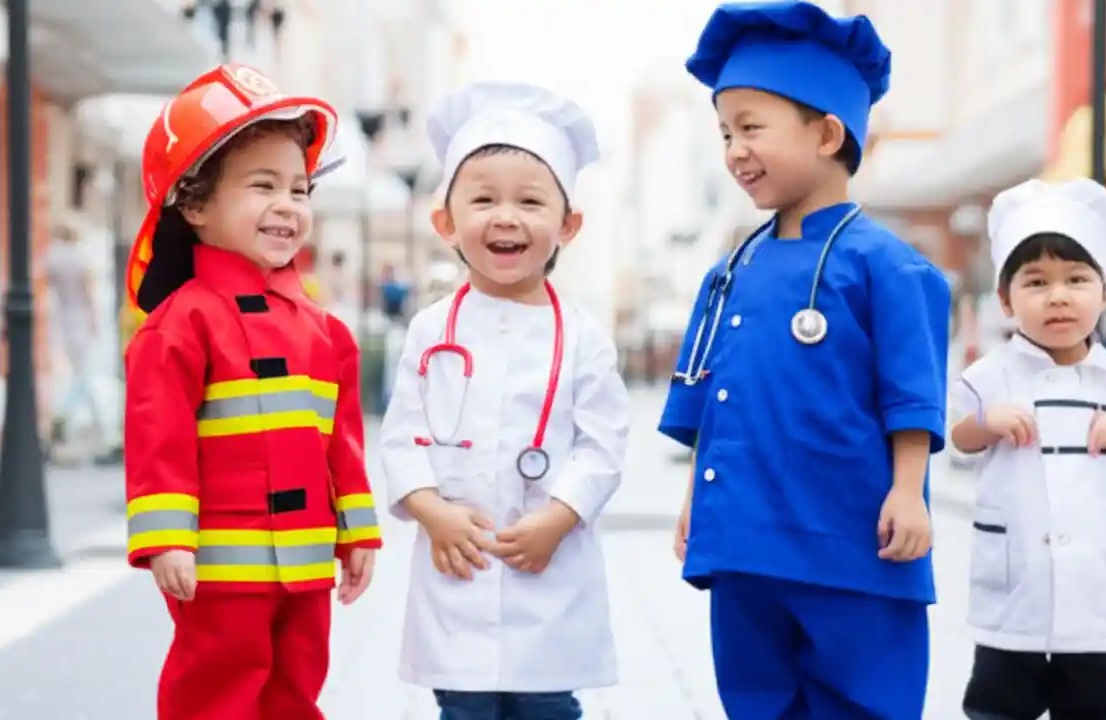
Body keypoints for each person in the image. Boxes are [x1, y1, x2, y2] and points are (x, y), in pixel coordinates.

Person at [662, 3, 951, 718]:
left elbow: (912, 393)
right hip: (743, 542)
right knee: (755, 697)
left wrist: (908, 491)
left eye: (752, 126)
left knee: (863, 700)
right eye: (726, 131)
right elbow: (710, 402)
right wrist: (698, 499)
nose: (734, 149)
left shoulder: (889, 266)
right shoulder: (731, 267)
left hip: (852, 542)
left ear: (827, 132)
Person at [121, 64, 382, 720]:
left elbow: (341, 442)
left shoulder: (326, 331)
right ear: (196, 203)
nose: (288, 205)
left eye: (299, 188)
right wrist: (166, 538)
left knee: (297, 689)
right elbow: (160, 433)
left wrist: (357, 533)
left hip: (305, 558)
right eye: (262, 185)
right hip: (220, 567)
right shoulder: (183, 321)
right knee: (216, 692)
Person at [379, 82, 629, 720]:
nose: (506, 216)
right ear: (446, 221)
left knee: (548, 704)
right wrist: (431, 511)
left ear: (568, 225)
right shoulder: (431, 330)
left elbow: (603, 447)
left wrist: (558, 518)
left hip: (548, 565)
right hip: (457, 569)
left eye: (530, 201)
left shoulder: (584, 337)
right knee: (462, 706)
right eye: (483, 199)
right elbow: (401, 438)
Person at [951, 178, 1106, 720]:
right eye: (1037, 282)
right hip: (1016, 581)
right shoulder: (990, 374)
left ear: (1104, 293)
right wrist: (987, 421)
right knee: (1000, 703)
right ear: (1005, 300)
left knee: (1098, 702)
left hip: (1096, 586)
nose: (1059, 296)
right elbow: (957, 436)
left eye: (1076, 279)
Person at [45, 223, 105, 450]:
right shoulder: (82, 259)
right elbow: (89, 293)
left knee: (79, 373)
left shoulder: (54, 258)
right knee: (83, 374)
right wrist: (95, 321)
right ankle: (65, 417)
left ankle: (86, 420)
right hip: (81, 320)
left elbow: (42, 279)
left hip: (62, 319)